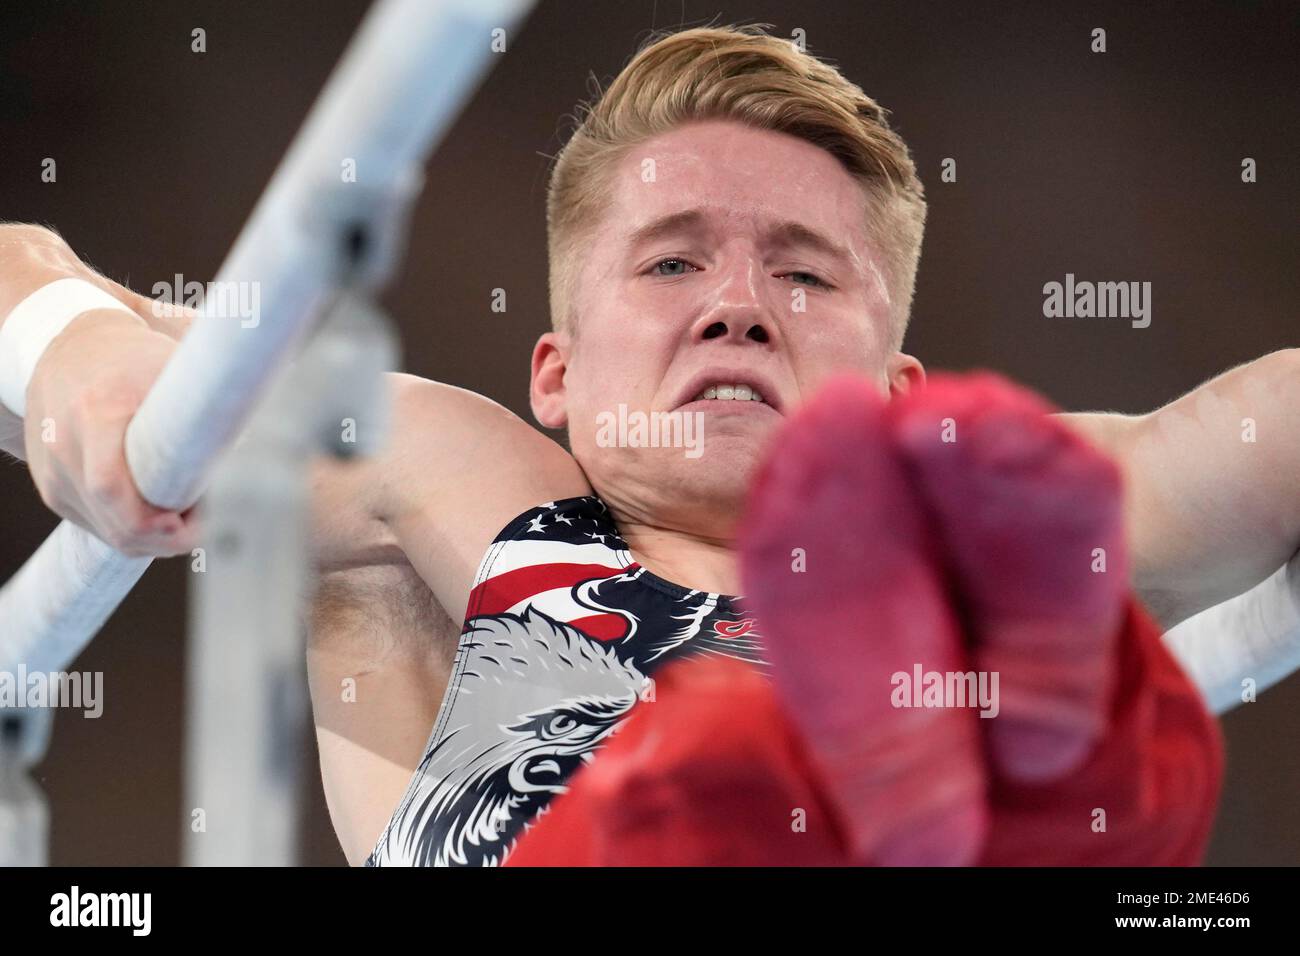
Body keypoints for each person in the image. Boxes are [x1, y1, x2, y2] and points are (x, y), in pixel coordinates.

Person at [0, 26, 1295, 866]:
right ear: (556, 371)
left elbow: (1259, 435)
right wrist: (84, 369)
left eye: (801, 275)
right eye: (673, 260)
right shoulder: (465, 477)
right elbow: (30, 270)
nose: (735, 304)